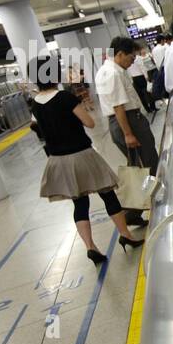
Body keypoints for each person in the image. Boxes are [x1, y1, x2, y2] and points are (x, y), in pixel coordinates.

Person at [28, 55, 143, 264]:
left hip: (58, 160)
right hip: (81, 155)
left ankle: (90, 247)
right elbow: (89, 123)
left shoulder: (34, 103)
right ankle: (126, 235)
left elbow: (36, 127)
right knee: (108, 195)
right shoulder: (65, 97)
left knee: (79, 204)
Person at [96, 37, 159, 227]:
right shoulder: (112, 73)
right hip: (128, 122)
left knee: (138, 169)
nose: (133, 60)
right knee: (147, 165)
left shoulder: (112, 70)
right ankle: (139, 209)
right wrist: (128, 134)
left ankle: (133, 211)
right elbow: (118, 107)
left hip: (128, 121)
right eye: (131, 57)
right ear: (120, 54)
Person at [127, 39, 156, 112]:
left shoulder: (128, 59)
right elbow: (143, 68)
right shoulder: (138, 58)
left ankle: (147, 109)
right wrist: (146, 77)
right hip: (141, 77)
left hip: (134, 79)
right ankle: (153, 107)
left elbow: (128, 71)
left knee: (140, 95)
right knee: (148, 93)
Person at [150, 34, 170, 106]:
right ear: (161, 40)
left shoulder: (153, 50)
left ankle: (166, 99)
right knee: (169, 84)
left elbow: (154, 60)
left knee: (163, 85)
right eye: (163, 40)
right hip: (166, 68)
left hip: (160, 70)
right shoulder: (164, 48)